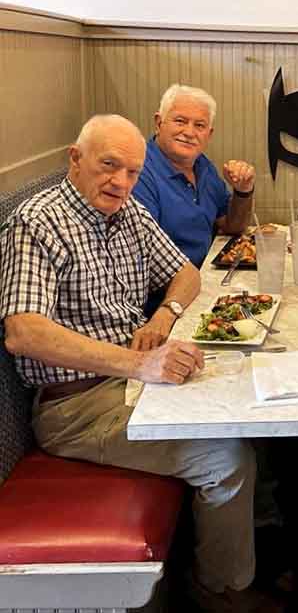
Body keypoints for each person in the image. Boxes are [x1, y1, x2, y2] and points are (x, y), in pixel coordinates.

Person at [0, 115, 279, 613]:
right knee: (225, 457)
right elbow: (24, 333)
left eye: (132, 171)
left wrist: (166, 314)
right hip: (76, 408)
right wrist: (138, 364)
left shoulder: (127, 211)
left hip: (130, 381)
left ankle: (262, 546)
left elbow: (186, 273)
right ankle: (218, 589)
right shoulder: (36, 223)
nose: (121, 182)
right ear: (75, 159)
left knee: (252, 398)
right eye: (109, 166)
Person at [133, 83, 256, 269]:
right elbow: (145, 258)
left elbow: (232, 226)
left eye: (199, 125)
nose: (189, 133)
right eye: (180, 121)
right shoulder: (139, 173)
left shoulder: (203, 165)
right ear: (159, 123)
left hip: (206, 273)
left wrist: (243, 191)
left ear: (209, 134)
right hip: (170, 285)